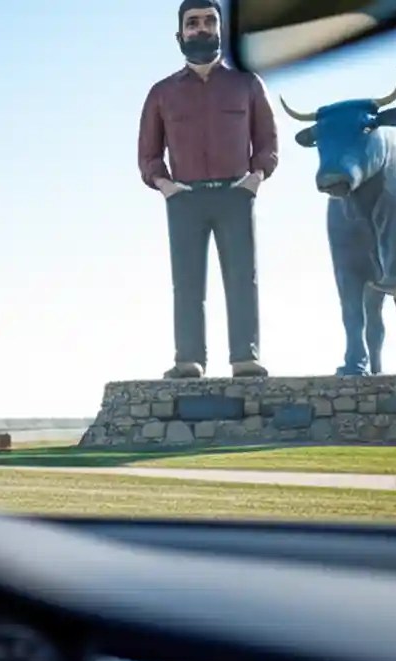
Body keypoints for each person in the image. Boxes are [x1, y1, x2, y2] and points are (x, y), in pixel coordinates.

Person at [138, 0, 279, 379]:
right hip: (183, 198)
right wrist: (166, 186)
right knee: (186, 283)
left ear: (220, 30)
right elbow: (148, 155)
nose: (200, 29)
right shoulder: (161, 93)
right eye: (192, 23)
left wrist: (254, 179)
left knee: (241, 278)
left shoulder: (247, 84)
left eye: (208, 22)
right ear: (180, 34)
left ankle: (244, 358)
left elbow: (267, 142)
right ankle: (189, 360)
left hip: (236, 193)